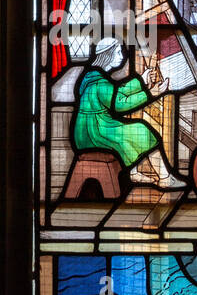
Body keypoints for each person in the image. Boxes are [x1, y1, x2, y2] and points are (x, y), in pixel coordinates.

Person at [72, 37, 186, 190]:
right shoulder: (99, 83)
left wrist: (142, 80)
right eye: (118, 52)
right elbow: (120, 104)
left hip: (87, 130)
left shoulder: (91, 77)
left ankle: (134, 173)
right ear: (108, 55)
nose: (122, 55)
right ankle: (165, 178)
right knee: (141, 131)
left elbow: (116, 93)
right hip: (96, 133)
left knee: (128, 131)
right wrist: (151, 93)